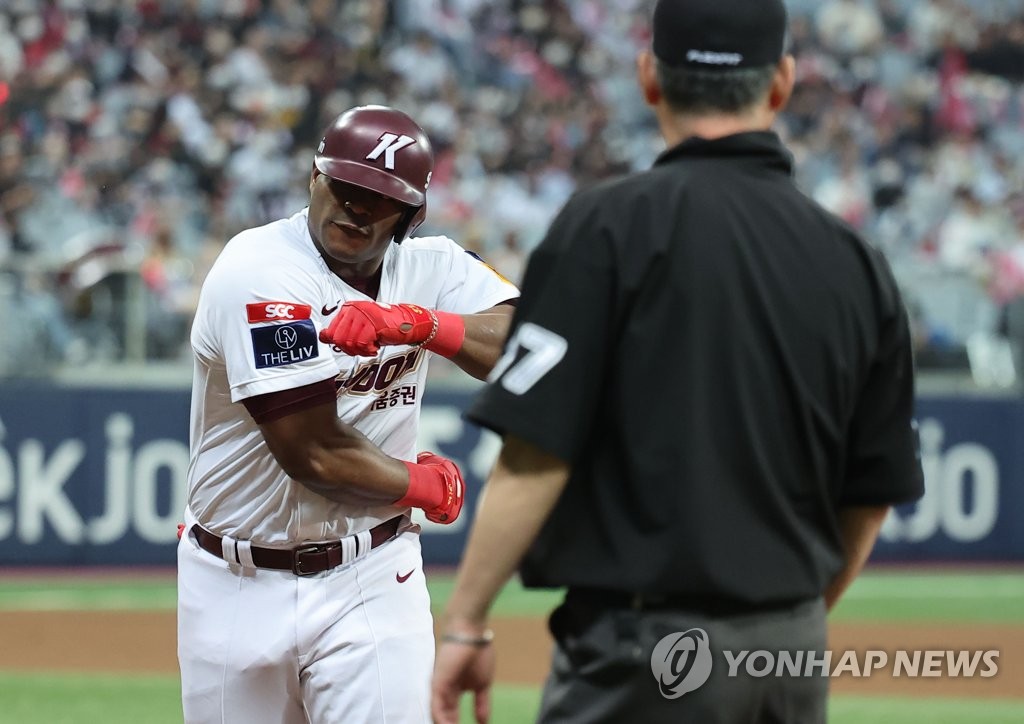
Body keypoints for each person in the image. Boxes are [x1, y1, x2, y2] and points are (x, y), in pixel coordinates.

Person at [431, 0, 925, 722]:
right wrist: (789, 623)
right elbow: (872, 490)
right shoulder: (856, 262)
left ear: (649, 78)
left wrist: (466, 620)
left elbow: (536, 453)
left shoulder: (606, 227)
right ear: (781, 82)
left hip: (645, 653)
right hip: (789, 655)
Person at [177, 104, 518, 724]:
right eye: (345, 185)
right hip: (234, 580)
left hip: (372, 571)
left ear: (412, 212)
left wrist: (421, 325)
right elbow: (313, 452)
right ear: (314, 179)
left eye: (379, 196)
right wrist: (421, 484)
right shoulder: (258, 270)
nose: (355, 207)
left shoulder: (431, 266)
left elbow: (530, 345)